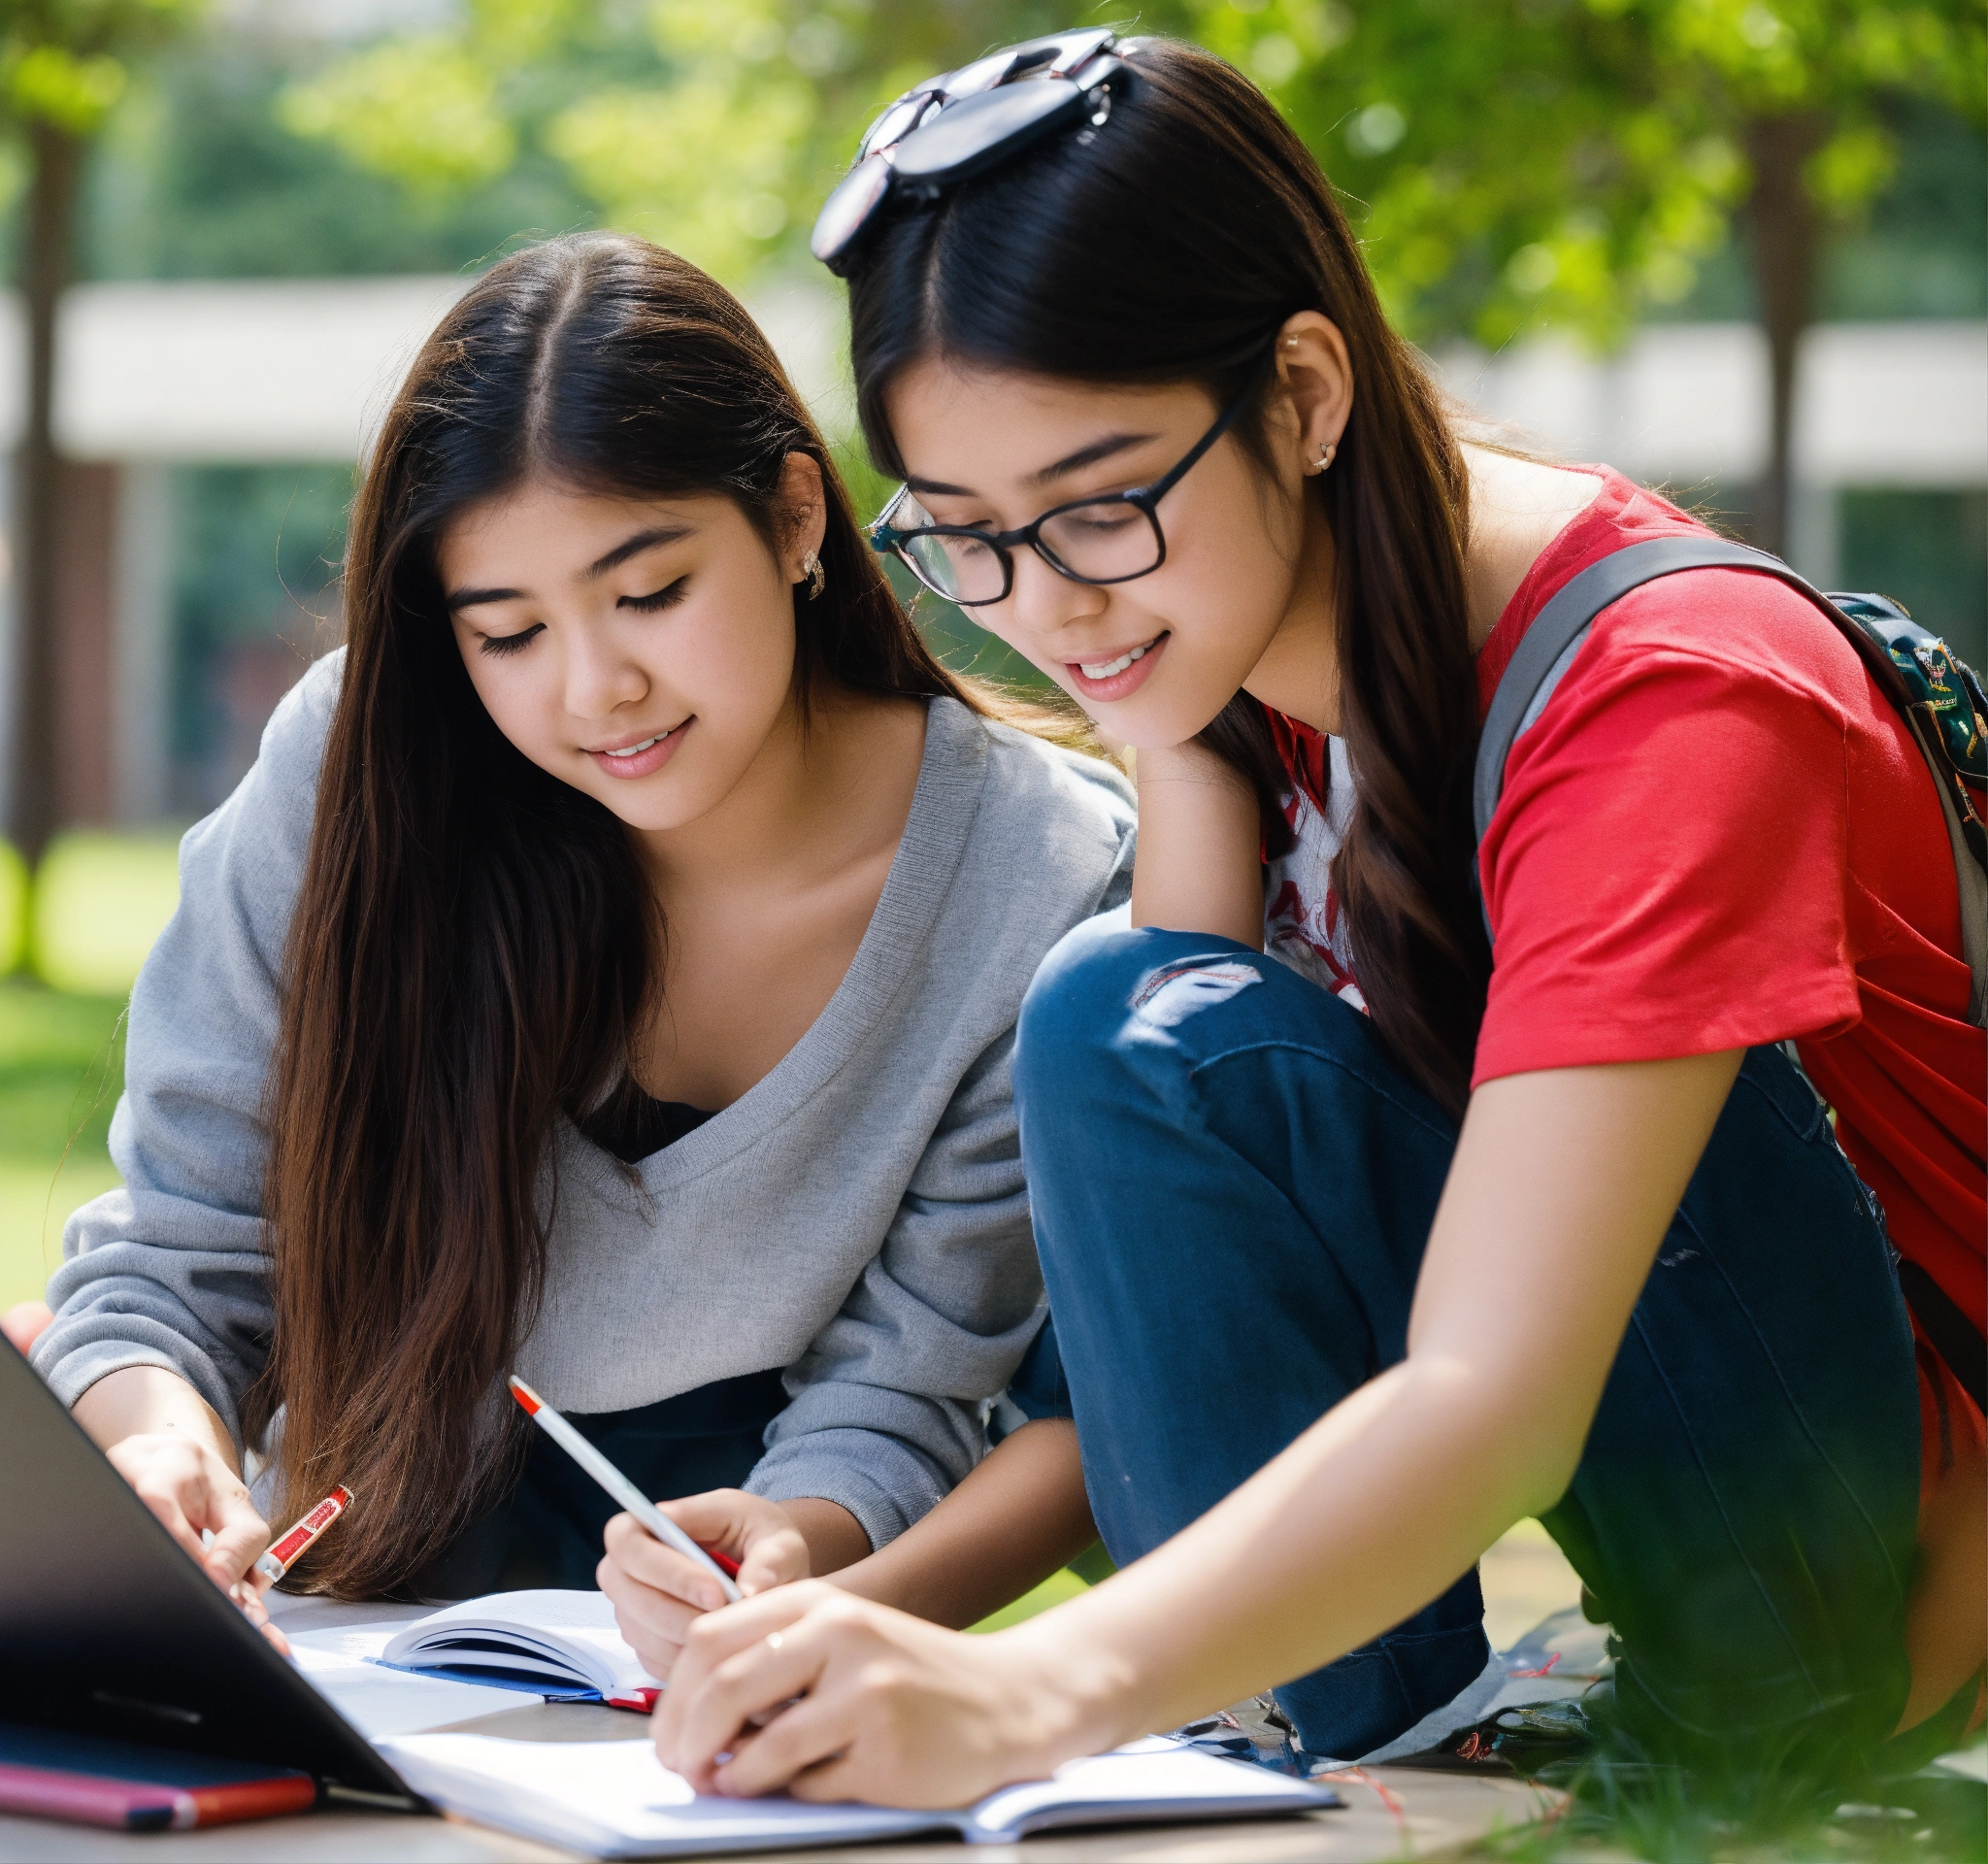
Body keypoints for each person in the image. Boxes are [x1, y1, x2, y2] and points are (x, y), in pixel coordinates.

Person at [646, 32, 1985, 1808]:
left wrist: (1028, 1698)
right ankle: (1334, 1755)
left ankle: (1715, 1738)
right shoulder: (1247, 646)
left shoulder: (1669, 700)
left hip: (1869, 1574)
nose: (1041, 606)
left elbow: (1493, 1391)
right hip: (1632, 1471)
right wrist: (847, 1628)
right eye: (963, 534)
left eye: (1101, 506)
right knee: (1113, 1009)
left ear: (1304, 390)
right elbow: (1162, 1235)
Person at [29, 233, 1131, 1635]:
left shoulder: (1038, 878)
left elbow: (915, 1389)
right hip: (349, 1631)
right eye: (508, 632)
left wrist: (794, 1546)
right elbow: (176, 1263)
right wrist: (154, 1439)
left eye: (650, 593)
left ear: (798, 517)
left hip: (719, 1679)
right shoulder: (360, 769)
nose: (597, 689)